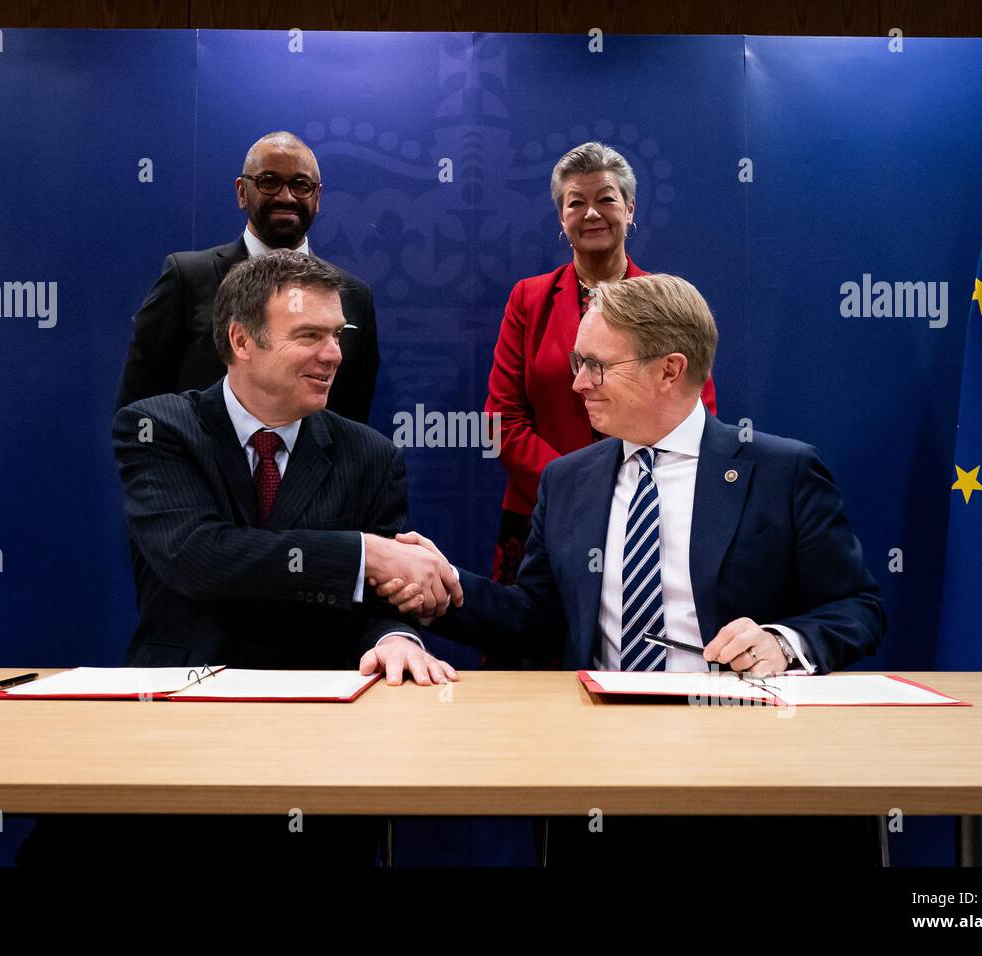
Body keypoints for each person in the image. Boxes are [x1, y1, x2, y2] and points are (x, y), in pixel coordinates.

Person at [378, 273, 886, 865]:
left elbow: (858, 609)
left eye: (595, 365)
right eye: (576, 362)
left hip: (747, 766)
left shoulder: (782, 472)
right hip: (600, 770)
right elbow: (538, 620)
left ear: (669, 370)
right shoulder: (568, 480)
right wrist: (450, 590)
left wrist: (781, 641)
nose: (575, 384)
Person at [20, 250, 457, 867]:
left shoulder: (371, 455)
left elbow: (380, 600)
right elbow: (196, 555)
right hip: (173, 729)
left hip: (319, 734)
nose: (333, 354)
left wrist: (395, 638)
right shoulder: (157, 429)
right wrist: (363, 554)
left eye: (338, 335)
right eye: (309, 335)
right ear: (240, 339)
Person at [486, 142, 717, 590]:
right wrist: (574, 489)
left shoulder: (667, 300)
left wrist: (624, 491)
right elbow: (502, 421)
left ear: (630, 209)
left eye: (606, 198)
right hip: (542, 510)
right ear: (561, 218)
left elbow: (695, 413)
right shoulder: (528, 299)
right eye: (576, 202)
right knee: (532, 646)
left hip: (648, 511)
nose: (592, 213)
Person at [116, 131, 380, 424]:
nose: (286, 196)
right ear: (242, 191)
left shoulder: (354, 296)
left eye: (301, 185)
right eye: (269, 181)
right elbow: (137, 409)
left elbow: (355, 422)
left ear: (317, 197)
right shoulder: (186, 279)